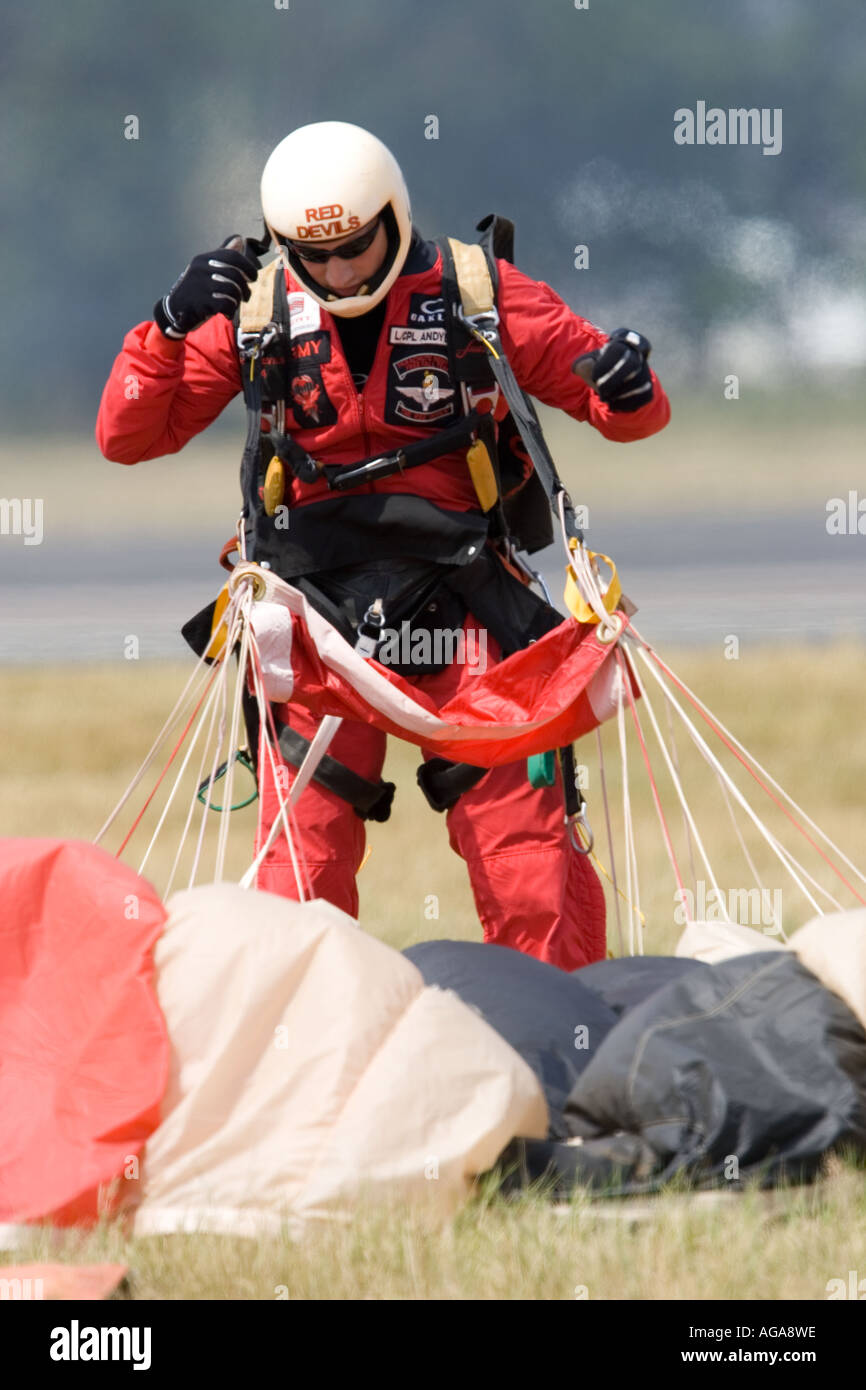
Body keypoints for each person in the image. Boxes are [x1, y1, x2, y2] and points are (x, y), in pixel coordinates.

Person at [96, 120, 670, 971]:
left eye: (356, 248)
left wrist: (626, 382)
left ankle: (558, 1056)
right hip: (318, 628)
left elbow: (623, 407)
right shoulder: (255, 313)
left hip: (467, 606)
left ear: (393, 221)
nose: (336, 272)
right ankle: (304, 1067)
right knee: (300, 875)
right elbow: (127, 436)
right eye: (312, 254)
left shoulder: (475, 292)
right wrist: (167, 328)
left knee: (527, 867)